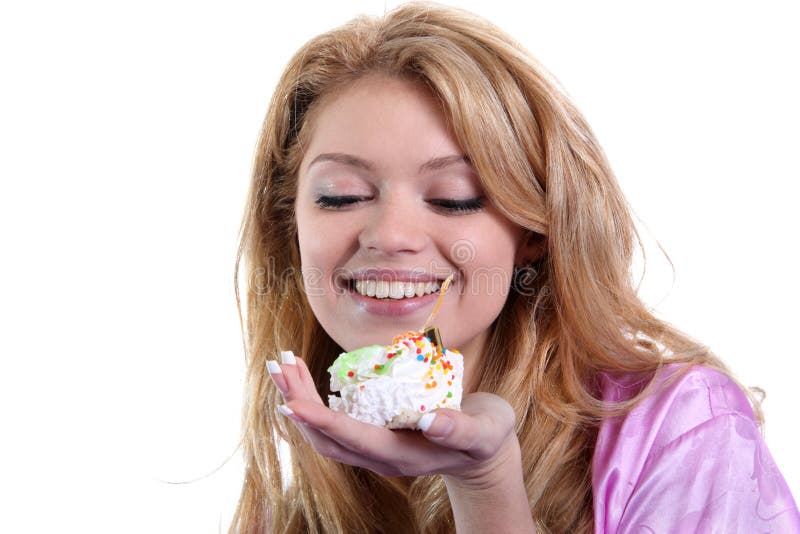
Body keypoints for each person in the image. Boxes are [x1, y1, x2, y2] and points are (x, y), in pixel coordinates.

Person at [229, 3, 799, 532]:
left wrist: (485, 483)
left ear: (531, 233)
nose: (390, 237)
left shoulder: (683, 430)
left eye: (454, 198)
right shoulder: (291, 485)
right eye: (342, 195)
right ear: (291, 221)